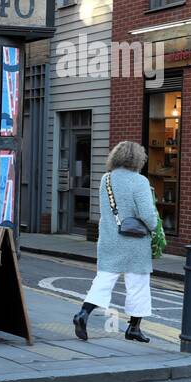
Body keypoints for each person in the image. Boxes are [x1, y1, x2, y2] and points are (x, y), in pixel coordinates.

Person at [73, 140, 161, 344]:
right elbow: (147, 215)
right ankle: (134, 328)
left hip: (110, 238)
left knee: (103, 280)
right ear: (139, 159)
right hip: (135, 242)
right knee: (138, 285)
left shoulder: (106, 179)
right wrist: (155, 226)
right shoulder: (139, 181)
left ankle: (83, 314)